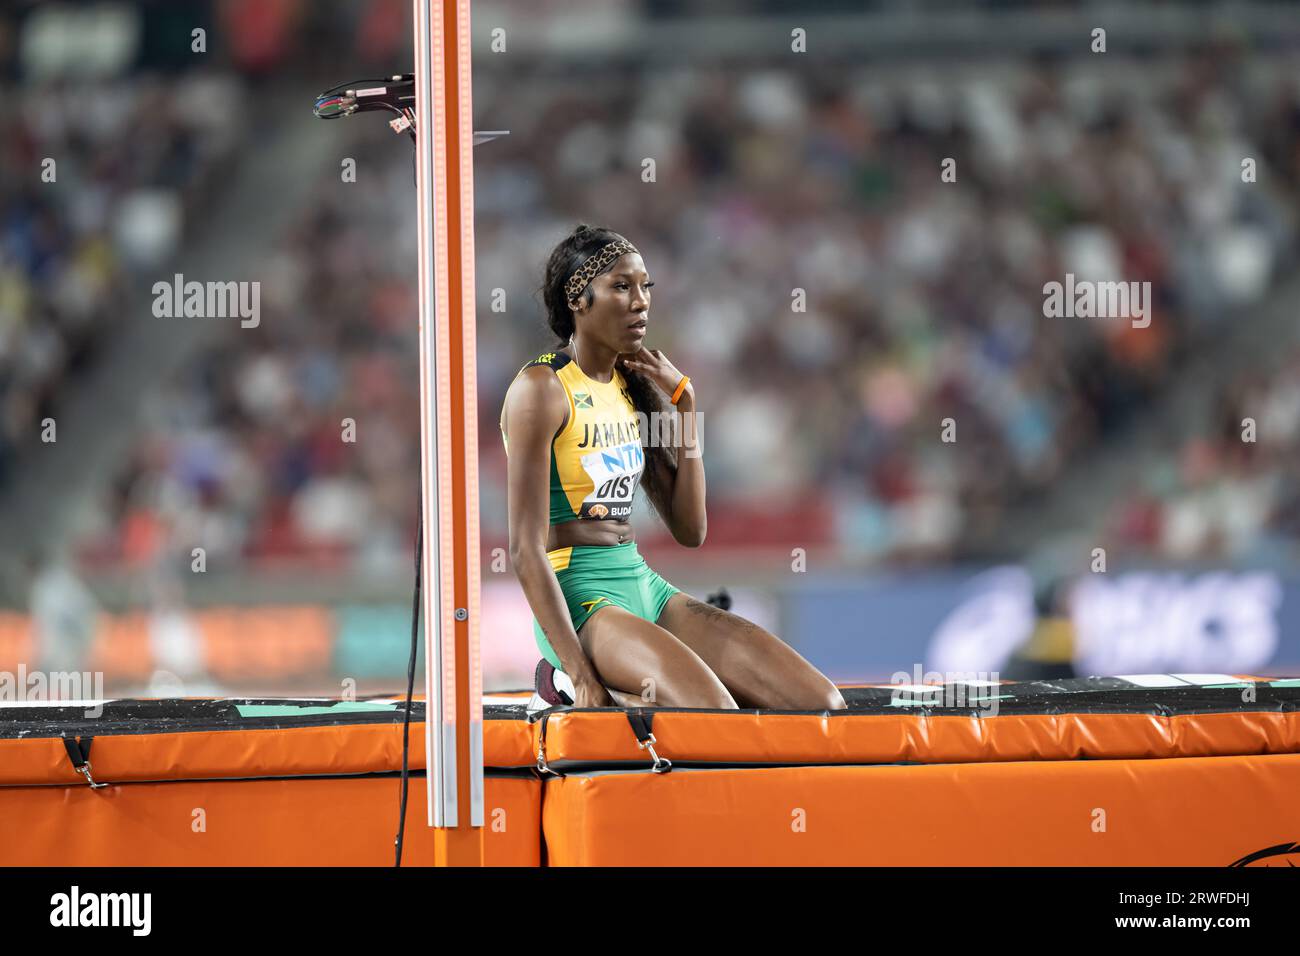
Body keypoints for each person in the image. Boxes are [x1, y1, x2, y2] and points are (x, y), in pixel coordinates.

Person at [499, 224, 847, 711]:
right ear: (578, 298)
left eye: (645, 287)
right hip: (581, 600)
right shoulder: (541, 389)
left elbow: (691, 528)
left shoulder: (632, 388)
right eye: (622, 286)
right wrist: (581, 676)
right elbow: (523, 550)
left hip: (642, 584)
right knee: (718, 716)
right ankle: (560, 683)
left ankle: (630, 697)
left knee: (821, 704)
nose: (640, 301)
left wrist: (685, 406)